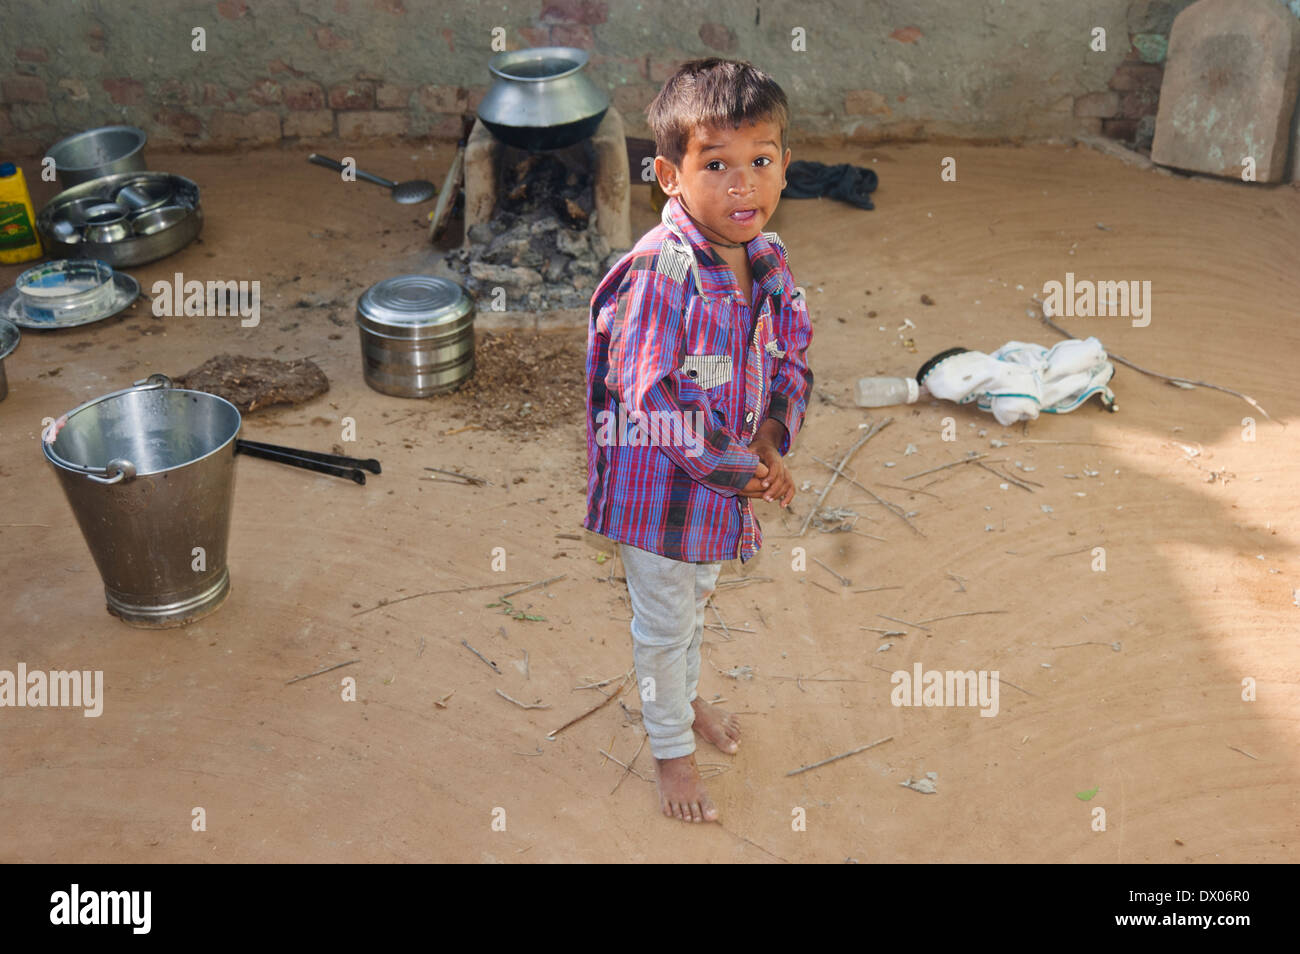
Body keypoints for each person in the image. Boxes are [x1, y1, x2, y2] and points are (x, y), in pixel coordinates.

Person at [583, 58, 814, 823]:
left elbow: (789, 358)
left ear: (786, 165)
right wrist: (733, 466)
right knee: (662, 623)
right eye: (715, 164)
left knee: (698, 600)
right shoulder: (663, 273)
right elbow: (650, 395)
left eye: (760, 161)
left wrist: (772, 441)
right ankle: (671, 750)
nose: (741, 184)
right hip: (660, 497)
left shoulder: (767, 261)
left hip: (720, 491)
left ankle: (682, 700)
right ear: (668, 176)